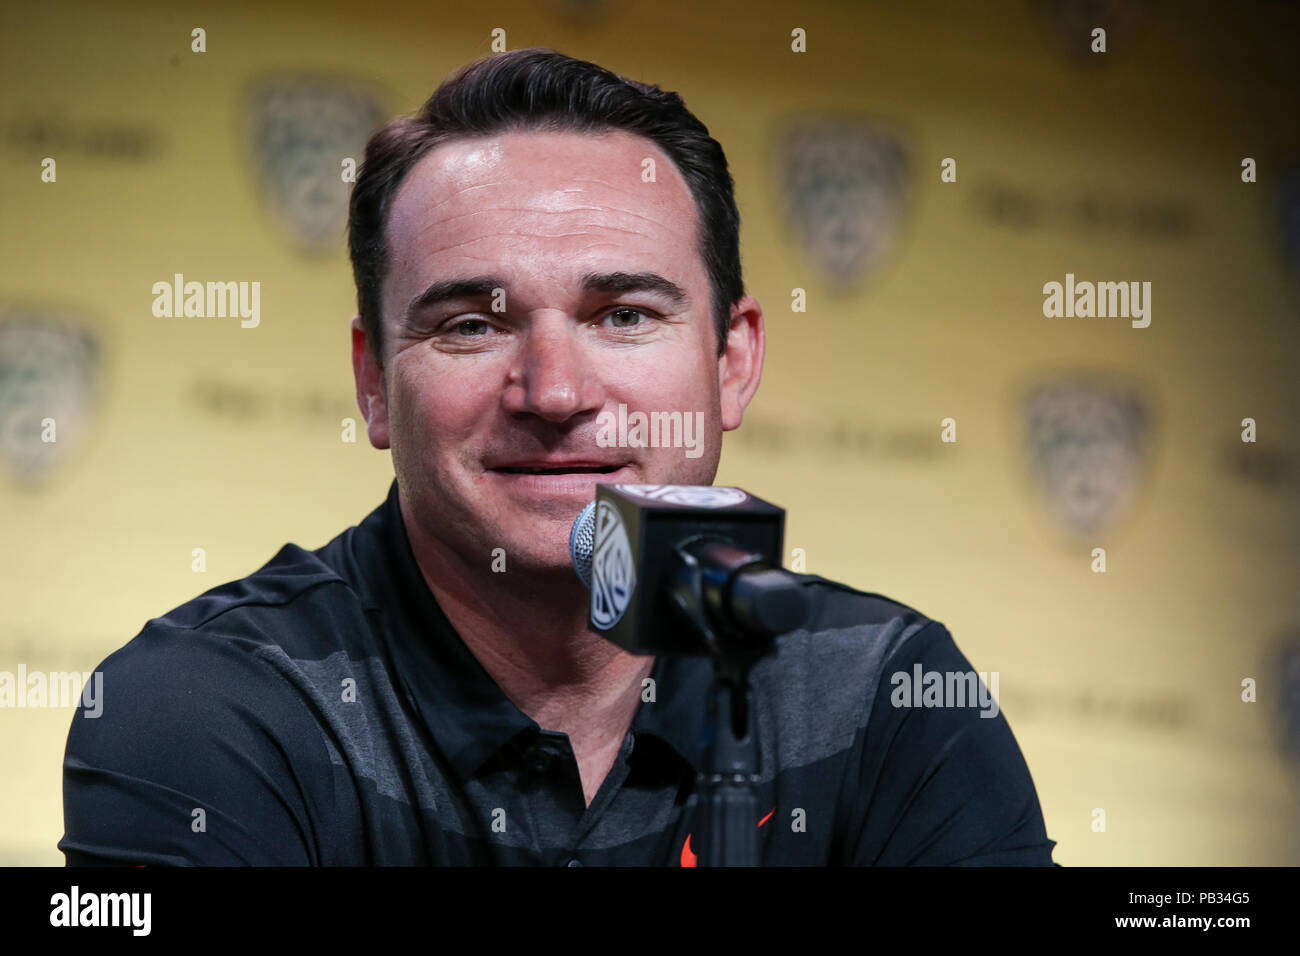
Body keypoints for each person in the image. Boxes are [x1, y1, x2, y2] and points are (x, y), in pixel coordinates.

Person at [59, 48, 1056, 866]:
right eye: (470, 325)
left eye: (622, 315)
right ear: (372, 381)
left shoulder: (885, 692)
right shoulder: (215, 702)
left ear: (732, 361)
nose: (555, 391)